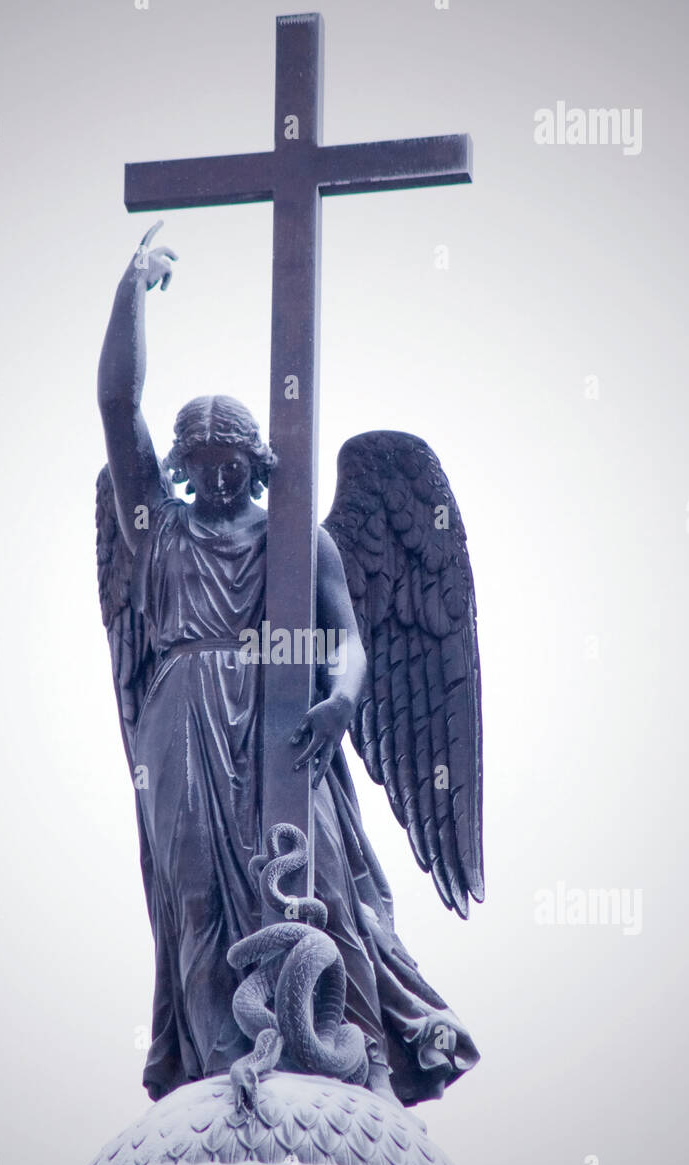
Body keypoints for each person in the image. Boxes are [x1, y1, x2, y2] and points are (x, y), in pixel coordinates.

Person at [98, 224, 479, 1105]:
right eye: (202, 467)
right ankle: (217, 1063)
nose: (219, 482)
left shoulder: (295, 535)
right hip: (185, 714)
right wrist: (131, 288)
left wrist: (343, 700)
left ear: (257, 461)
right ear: (183, 471)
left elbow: (347, 640)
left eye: (234, 465)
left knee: (317, 878)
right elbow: (119, 405)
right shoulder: (156, 528)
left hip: (284, 713)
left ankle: (344, 1047)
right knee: (192, 890)